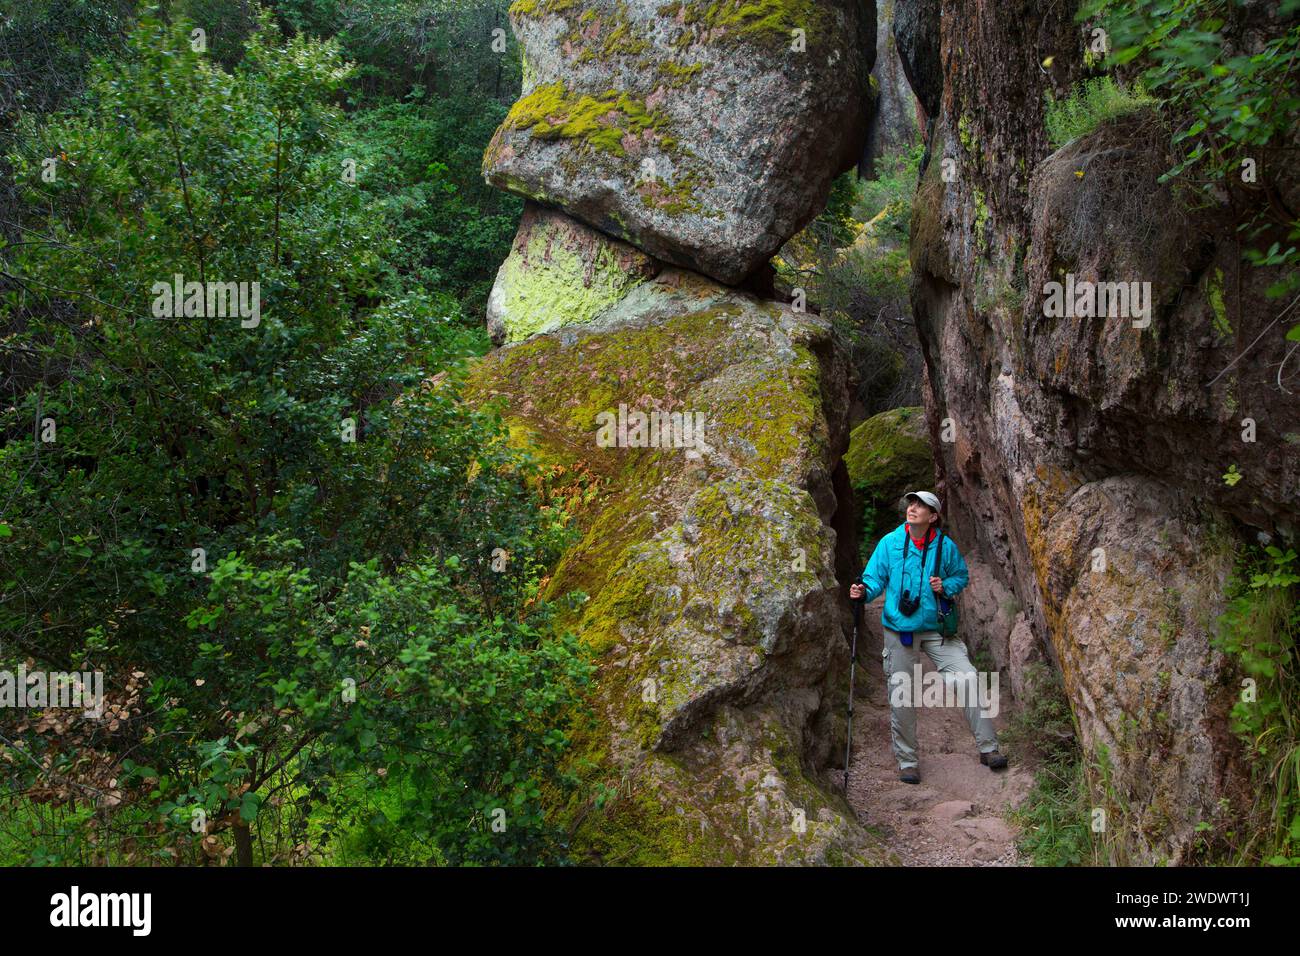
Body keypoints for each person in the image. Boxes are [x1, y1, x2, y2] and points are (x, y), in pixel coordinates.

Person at [849, 490, 1008, 784]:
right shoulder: (890, 543)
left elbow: (961, 576)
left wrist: (944, 585)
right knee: (902, 695)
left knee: (968, 677)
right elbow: (873, 579)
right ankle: (907, 761)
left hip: (937, 628)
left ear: (933, 516)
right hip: (900, 630)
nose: (913, 508)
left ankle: (989, 748)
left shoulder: (944, 547)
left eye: (922, 505)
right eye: (912, 503)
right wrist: (861, 592)